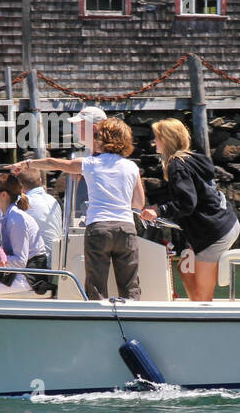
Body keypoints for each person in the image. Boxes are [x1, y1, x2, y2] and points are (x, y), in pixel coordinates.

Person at [16, 116, 144, 301]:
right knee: (130, 284)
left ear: (103, 138)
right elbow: (138, 204)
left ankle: (99, 319)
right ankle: (133, 318)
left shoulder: (90, 164)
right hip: (126, 227)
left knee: (96, 285)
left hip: (99, 227)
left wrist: (27, 164)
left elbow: (53, 163)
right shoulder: (131, 167)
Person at [140, 118, 240, 301]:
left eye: (157, 137)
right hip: (226, 221)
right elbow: (191, 194)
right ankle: (196, 306)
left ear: (167, 139)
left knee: (204, 295)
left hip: (213, 233)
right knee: (184, 269)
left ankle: (202, 314)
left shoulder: (176, 165)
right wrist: (159, 206)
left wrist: (159, 211)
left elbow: (187, 203)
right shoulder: (193, 158)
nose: (153, 142)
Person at [15, 162, 62, 261]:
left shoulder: (22, 203)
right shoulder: (53, 201)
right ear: (40, 181)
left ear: (19, 185)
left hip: (38, 263)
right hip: (57, 260)